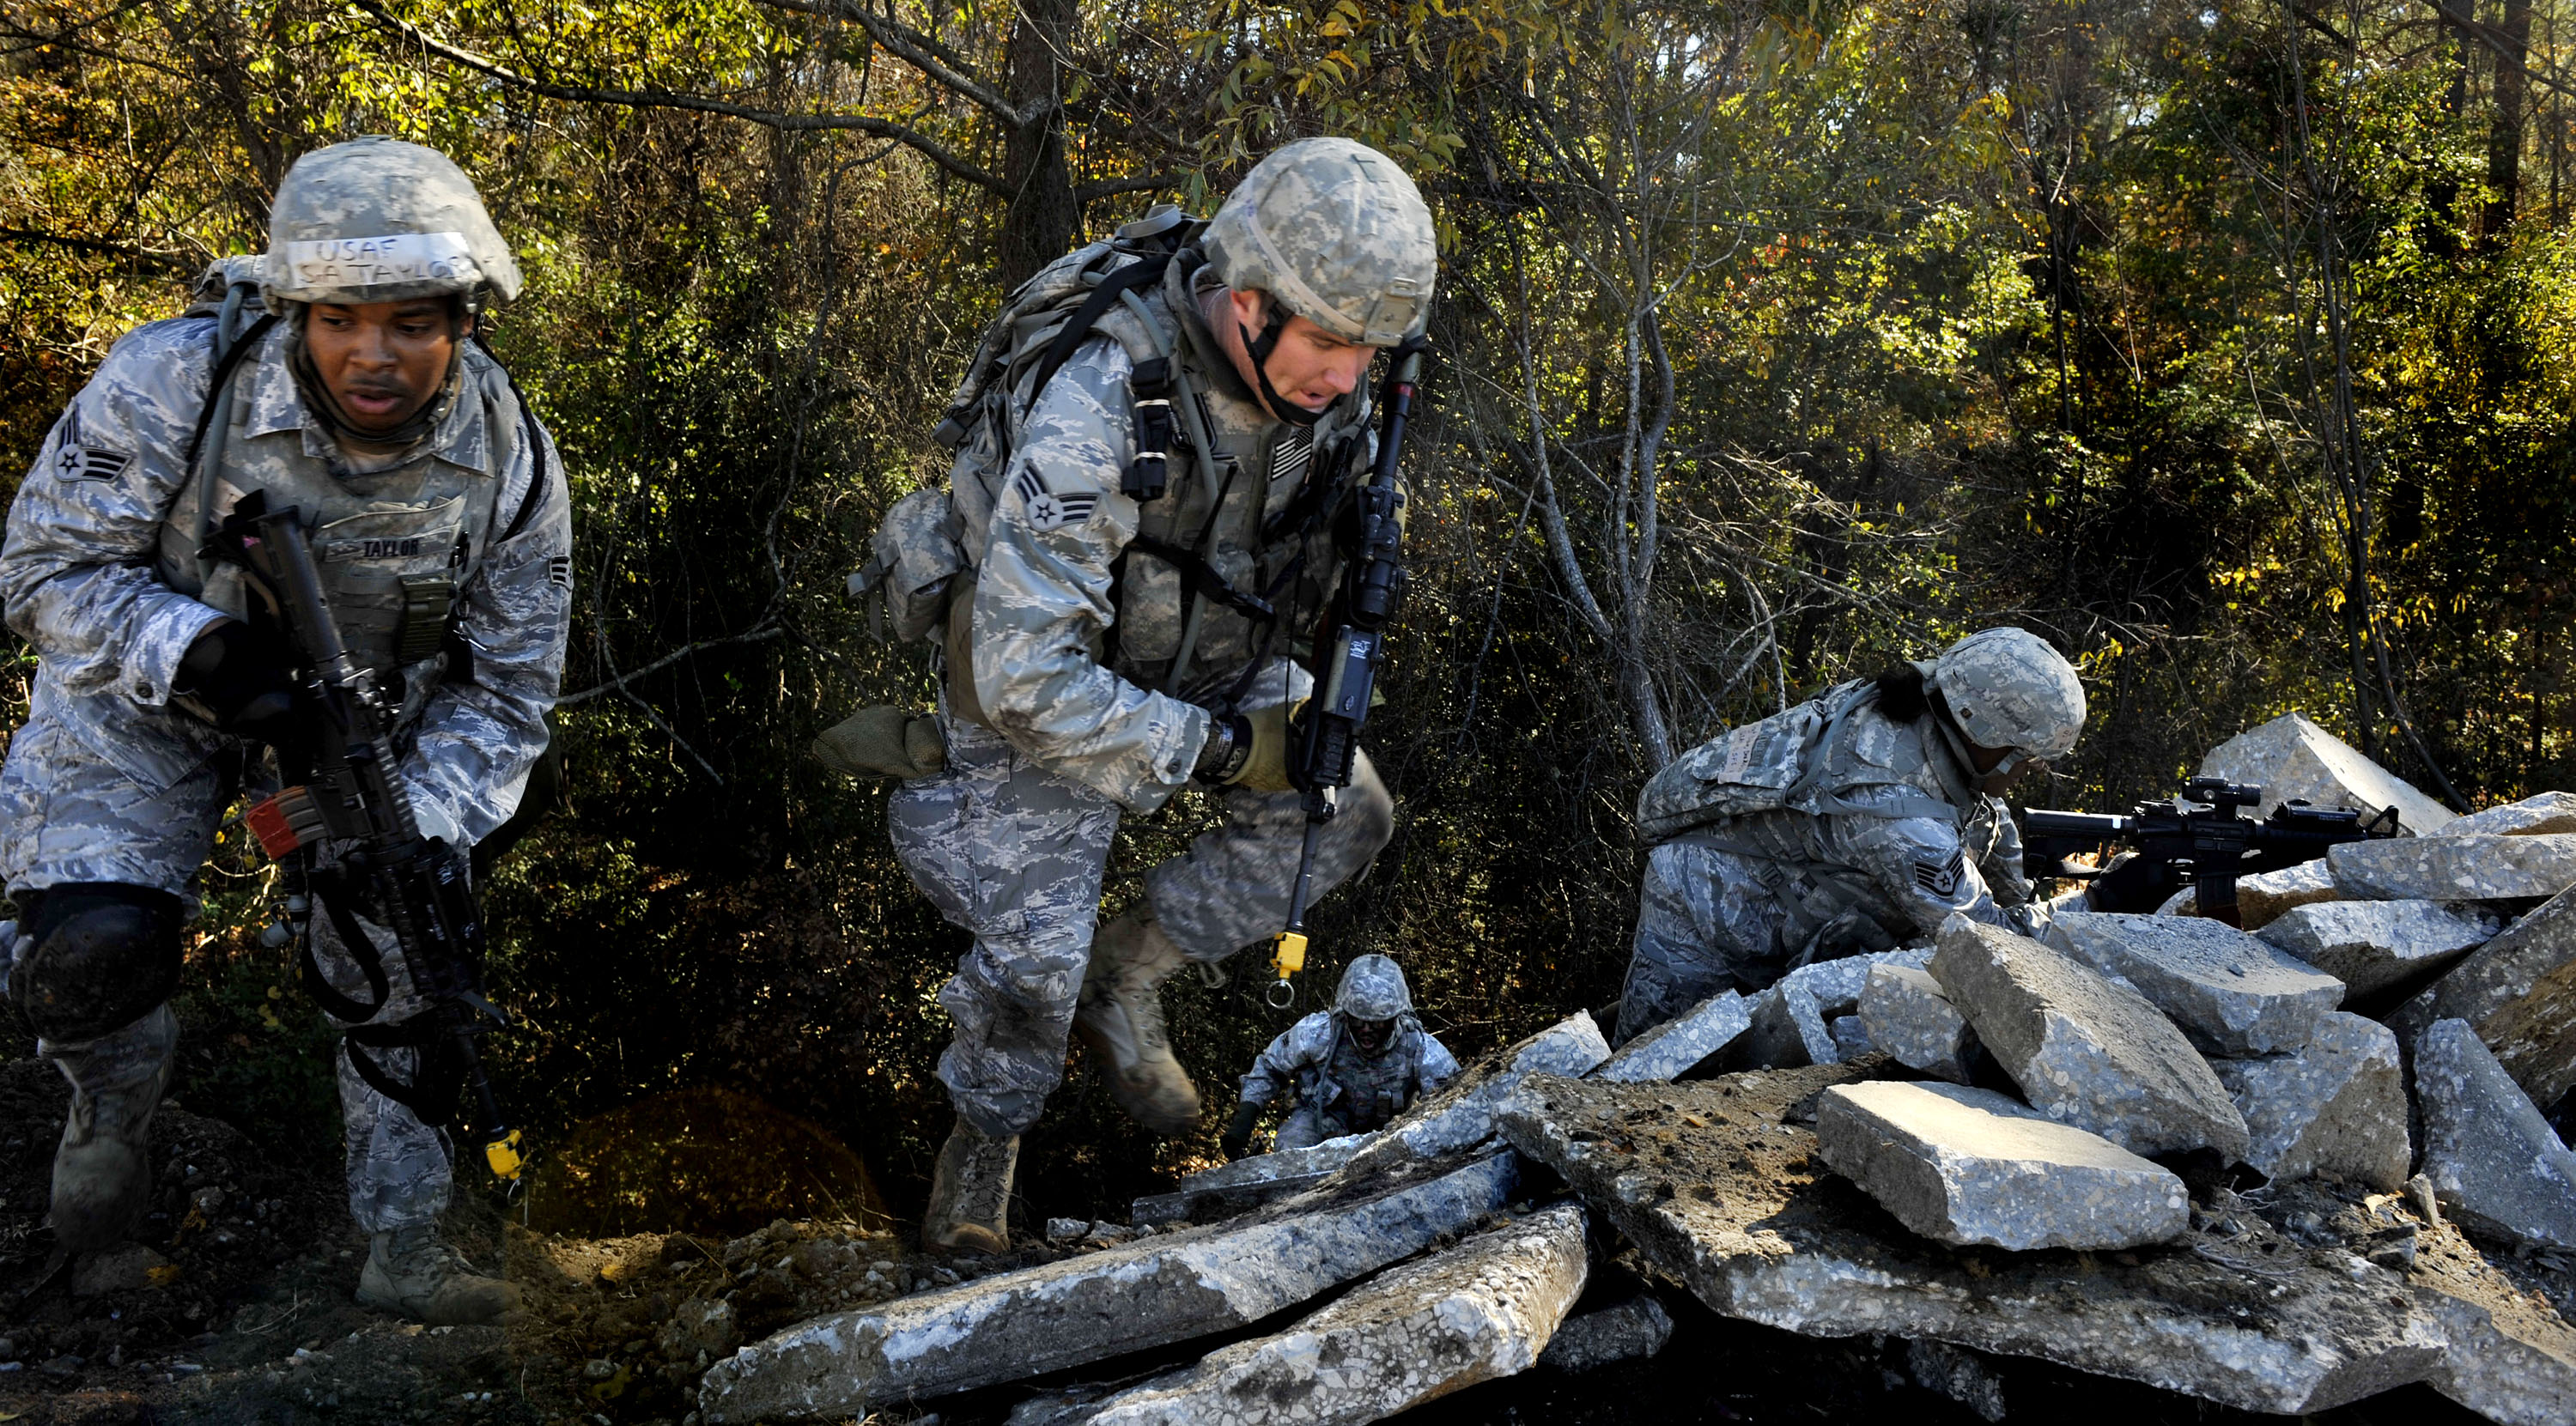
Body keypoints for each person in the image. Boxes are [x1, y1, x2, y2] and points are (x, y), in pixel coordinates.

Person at [0, 137, 571, 1323]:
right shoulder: (175, 380)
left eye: (413, 321)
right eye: (342, 319)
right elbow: (45, 570)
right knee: (95, 954)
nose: (376, 354)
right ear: (293, 307)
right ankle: (102, 1201)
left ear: (467, 322)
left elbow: (514, 685)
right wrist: (197, 652)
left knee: (406, 944)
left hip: (356, 722)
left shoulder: (508, 454)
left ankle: (406, 1248)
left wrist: (430, 820)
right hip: (139, 692)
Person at [833, 137, 1437, 1253]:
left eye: (1372, 348)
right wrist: (1220, 748)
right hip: (1040, 675)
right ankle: (983, 1152)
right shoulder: (1103, 395)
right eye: (1331, 341)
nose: (1350, 374)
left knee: (1346, 805)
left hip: (1200, 640)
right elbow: (1025, 677)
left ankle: (1134, 967)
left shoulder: (1339, 389)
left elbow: (1290, 538)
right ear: (1246, 299)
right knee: (1033, 963)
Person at [1615, 627, 2087, 1044]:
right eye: (2028, 755)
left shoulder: (1914, 712)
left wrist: (2018, 889)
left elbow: (1984, 812)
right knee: (1651, 1067)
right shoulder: (1897, 815)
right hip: (1699, 908)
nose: (2032, 769)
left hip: (1761, 894)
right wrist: (2091, 903)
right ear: (1984, 735)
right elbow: (1985, 942)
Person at [1221, 954, 1456, 1157]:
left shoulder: (1419, 1048)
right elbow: (1270, 1066)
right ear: (1345, 1013)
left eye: (1376, 1023)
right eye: (1358, 1020)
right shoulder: (1319, 1033)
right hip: (1322, 1124)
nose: (1366, 1029)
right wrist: (1246, 1118)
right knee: (1291, 1145)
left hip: (1389, 1135)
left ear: (1394, 1017)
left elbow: (1453, 1096)